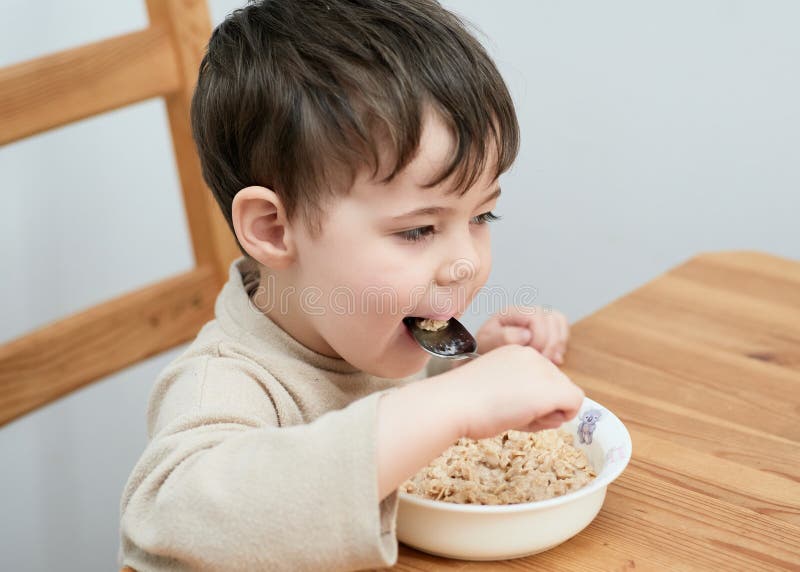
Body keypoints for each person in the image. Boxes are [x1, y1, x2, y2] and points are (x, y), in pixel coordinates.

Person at [119, 1, 585, 570]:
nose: (466, 262)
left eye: (482, 217)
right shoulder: (223, 382)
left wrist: (476, 363)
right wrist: (457, 402)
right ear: (274, 228)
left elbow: (394, 400)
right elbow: (175, 511)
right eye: (418, 229)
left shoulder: (364, 326)